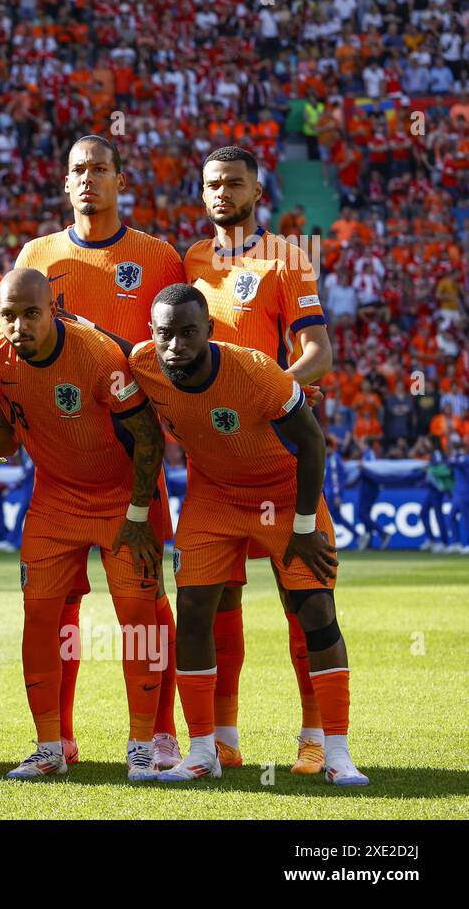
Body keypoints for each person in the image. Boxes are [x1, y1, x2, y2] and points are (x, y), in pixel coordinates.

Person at [129, 284, 367, 786]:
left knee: (316, 612)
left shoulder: (255, 371)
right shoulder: (143, 364)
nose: (176, 346)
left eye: (189, 333)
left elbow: (312, 441)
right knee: (193, 612)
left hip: (282, 493)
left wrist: (303, 527)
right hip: (214, 495)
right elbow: (100, 346)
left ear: (210, 331)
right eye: (165, 334)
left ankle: (338, 752)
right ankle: (202, 752)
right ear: (151, 335)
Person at [13, 134, 187, 769]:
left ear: (120, 179)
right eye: (78, 171)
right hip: (58, 472)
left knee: (143, 607)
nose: (89, 179)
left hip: (131, 466)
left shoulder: (160, 258)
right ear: (65, 183)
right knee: (51, 610)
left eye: (101, 169)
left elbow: (179, 349)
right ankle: (55, 741)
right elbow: (12, 343)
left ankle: (157, 733)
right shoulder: (38, 256)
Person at [0, 268, 168, 780]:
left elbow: (149, 437)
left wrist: (140, 515)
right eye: (7, 315)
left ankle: (143, 746)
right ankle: (49, 747)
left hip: (119, 500)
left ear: (54, 308)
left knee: (138, 620)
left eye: (30, 314)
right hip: (55, 500)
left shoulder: (98, 355)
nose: (18, 326)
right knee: (38, 620)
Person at [185, 145, 336, 774]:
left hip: (277, 456)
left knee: (303, 600)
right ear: (203, 193)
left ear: (258, 191)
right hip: (212, 465)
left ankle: (316, 737)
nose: (224, 192)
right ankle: (222, 737)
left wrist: (274, 402)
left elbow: (318, 353)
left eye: (236, 184)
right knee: (217, 604)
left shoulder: (287, 258)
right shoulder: (189, 260)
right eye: (214, 184)